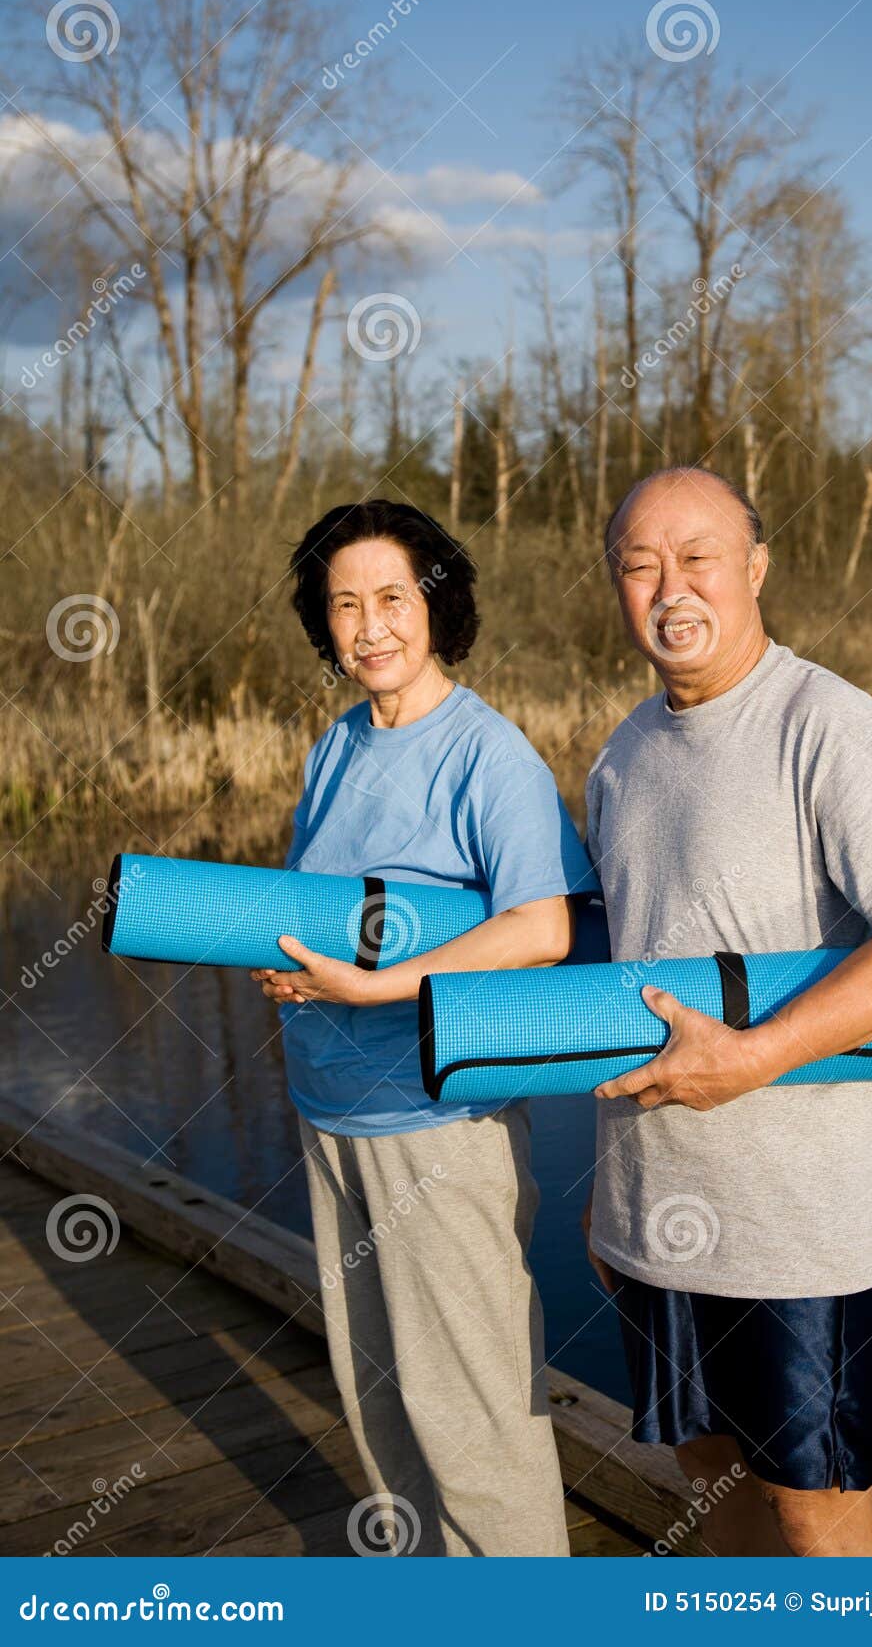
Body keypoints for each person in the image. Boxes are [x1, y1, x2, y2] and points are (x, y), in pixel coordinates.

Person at [581, 466, 872, 1558]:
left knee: (816, 1505)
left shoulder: (824, 721)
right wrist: (605, 1199)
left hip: (794, 1231)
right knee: (708, 1479)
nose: (669, 586)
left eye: (697, 556)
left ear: (754, 567)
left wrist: (753, 1057)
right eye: (638, 564)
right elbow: (630, 977)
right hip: (651, 1213)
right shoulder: (616, 761)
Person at [253, 499, 598, 1557]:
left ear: (436, 605)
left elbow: (540, 927)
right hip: (329, 1111)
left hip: (436, 1121)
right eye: (344, 605)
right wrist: (293, 967)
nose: (370, 627)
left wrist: (384, 983)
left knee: (474, 1421)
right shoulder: (336, 746)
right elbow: (330, 912)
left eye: (391, 599)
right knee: (383, 1404)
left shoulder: (487, 753)